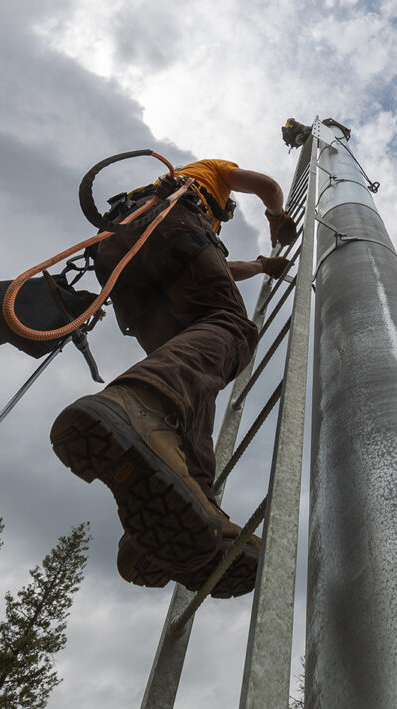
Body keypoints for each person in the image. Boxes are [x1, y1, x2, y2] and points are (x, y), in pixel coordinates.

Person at [49, 158, 297, 597]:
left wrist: (260, 266)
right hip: (170, 225)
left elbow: (220, 267)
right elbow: (266, 185)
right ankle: (144, 402)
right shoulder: (209, 174)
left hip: (124, 257)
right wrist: (277, 216)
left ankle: (193, 504)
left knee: (193, 383)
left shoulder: (187, 223)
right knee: (232, 328)